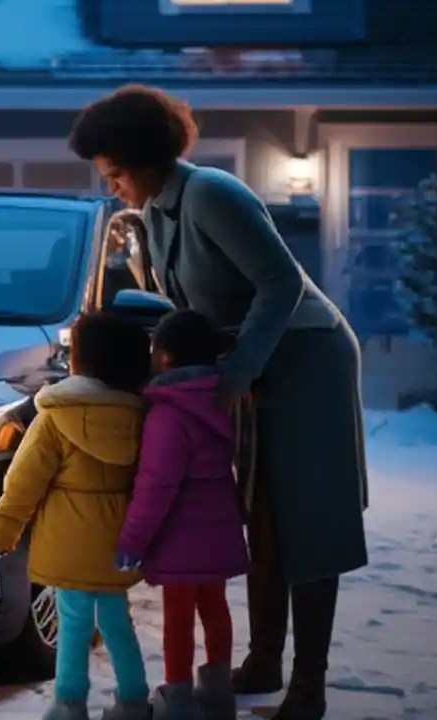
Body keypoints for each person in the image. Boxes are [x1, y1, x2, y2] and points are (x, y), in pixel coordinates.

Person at [69, 84, 369, 720]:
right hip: (246, 364)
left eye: (116, 172)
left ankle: (308, 688)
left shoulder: (210, 194)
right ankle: (263, 660)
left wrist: (236, 373)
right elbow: (184, 310)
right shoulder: (153, 214)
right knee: (258, 514)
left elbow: (281, 283)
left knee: (305, 517)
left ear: (147, 158)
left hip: (304, 356)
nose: (112, 185)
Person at [0, 313, 152, 720]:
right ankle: (133, 700)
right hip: (118, 541)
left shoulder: (57, 415)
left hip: (67, 540)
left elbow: (23, 481)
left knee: (73, 623)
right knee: (117, 622)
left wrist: (3, 531)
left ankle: (69, 703)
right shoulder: (141, 416)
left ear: (79, 361)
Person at [116, 310, 251, 720]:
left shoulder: (168, 416)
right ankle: (217, 691)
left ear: (167, 357)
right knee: (215, 609)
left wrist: (132, 541)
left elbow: (156, 485)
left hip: (179, 536)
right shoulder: (225, 401)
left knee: (178, 618)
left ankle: (177, 697)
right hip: (219, 528)